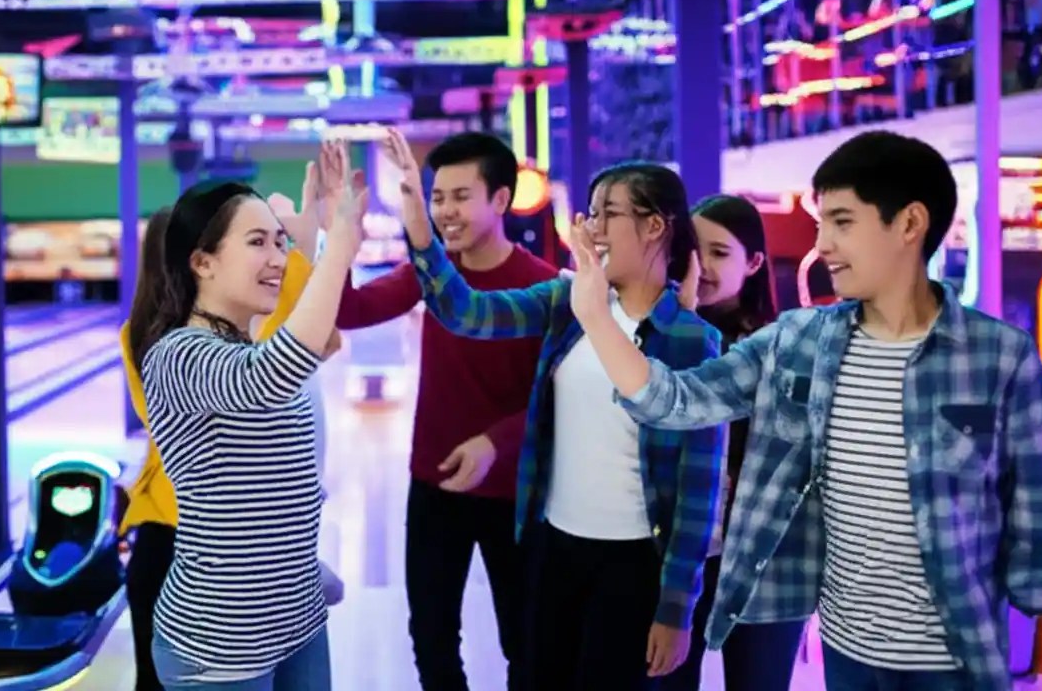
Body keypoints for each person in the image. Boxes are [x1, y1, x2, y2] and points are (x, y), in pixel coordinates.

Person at [572, 131, 1042, 691]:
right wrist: (596, 316)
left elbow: (1031, 509)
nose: (822, 244)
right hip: (846, 651)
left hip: (959, 657)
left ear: (909, 224)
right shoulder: (798, 340)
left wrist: (1038, 609)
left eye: (842, 222)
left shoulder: (1001, 356)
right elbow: (675, 401)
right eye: (821, 223)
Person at [384, 131, 725, 691]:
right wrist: (421, 227)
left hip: (634, 563)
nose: (591, 229)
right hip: (553, 545)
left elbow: (697, 490)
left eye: (608, 214)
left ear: (655, 226)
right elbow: (464, 311)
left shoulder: (691, 340)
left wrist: (676, 607)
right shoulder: (566, 304)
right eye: (590, 214)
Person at [328, 131, 557, 691]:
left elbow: (556, 402)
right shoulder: (431, 276)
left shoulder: (544, 287)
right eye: (437, 197)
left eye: (460, 196)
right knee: (431, 640)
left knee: (524, 645)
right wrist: (337, 238)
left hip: (515, 495)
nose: (445, 211)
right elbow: (351, 311)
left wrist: (495, 443)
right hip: (433, 486)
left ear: (500, 201)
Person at [136, 169, 365, 691]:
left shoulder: (247, 344)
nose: (278, 259)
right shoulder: (177, 356)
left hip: (297, 617)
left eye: (280, 243)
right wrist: (338, 251)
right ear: (202, 262)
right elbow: (270, 376)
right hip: (219, 639)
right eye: (258, 242)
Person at [687, 195, 807, 691]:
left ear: (754, 262)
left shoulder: (785, 345)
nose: (703, 266)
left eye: (720, 252)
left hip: (766, 558)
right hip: (684, 551)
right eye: (694, 251)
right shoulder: (665, 337)